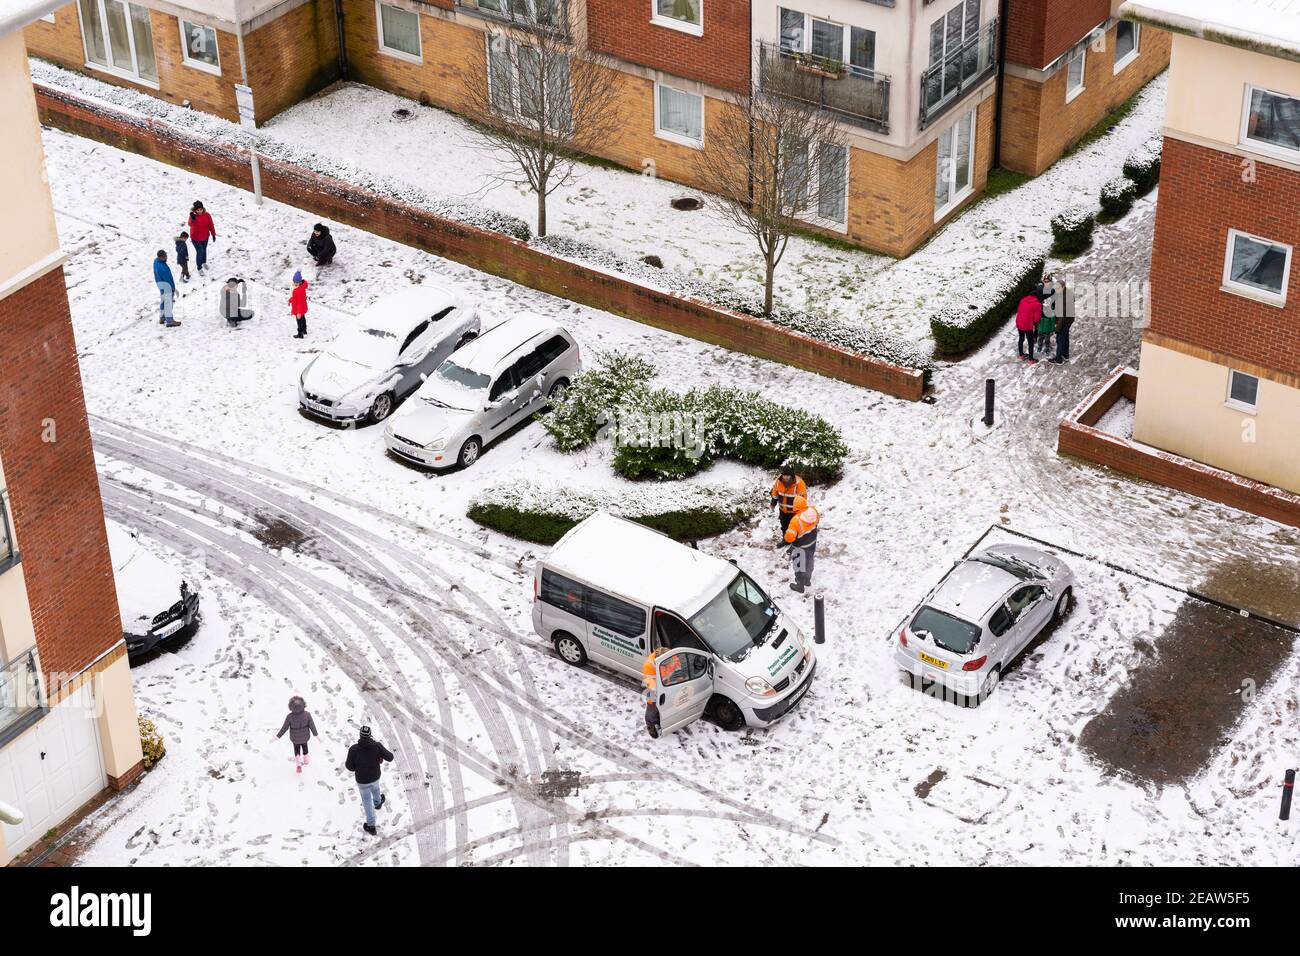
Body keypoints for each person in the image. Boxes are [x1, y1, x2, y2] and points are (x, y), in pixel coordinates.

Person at [345, 725, 394, 836]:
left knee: (367, 801)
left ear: (360, 736)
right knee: (376, 789)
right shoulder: (377, 746)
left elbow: (349, 767)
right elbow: (390, 757)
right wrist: (379, 754)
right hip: (375, 776)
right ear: (370, 735)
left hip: (362, 781)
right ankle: (378, 803)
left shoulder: (353, 750)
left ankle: (371, 826)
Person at [783, 495, 820, 593]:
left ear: (795, 506)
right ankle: (807, 580)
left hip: (800, 547)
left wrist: (787, 535)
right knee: (809, 561)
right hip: (812, 544)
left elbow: (789, 537)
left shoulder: (796, 520)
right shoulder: (814, 510)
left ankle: (800, 585)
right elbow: (817, 521)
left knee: (799, 566)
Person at [274, 695, 319, 774]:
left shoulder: (289, 717)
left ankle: (298, 764)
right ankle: (306, 760)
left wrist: (278, 736)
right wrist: (316, 734)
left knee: (296, 749)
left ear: (291, 706)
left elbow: (284, 728)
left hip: (295, 738)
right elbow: (312, 725)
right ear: (303, 705)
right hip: (305, 736)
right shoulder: (307, 714)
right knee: (305, 747)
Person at [770, 466, 808, 538]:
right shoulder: (778, 481)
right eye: (784, 475)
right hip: (783, 510)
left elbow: (803, 498)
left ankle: (796, 541)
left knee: (794, 527)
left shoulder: (799, 483)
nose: (785, 477)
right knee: (784, 527)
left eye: (787, 475)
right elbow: (775, 493)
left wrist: (801, 511)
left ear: (791, 475)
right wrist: (773, 504)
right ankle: (786, 539)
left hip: (794, 511)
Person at [153, 250, 181, 328]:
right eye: (165, 256)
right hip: (166, 286)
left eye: (166, 255)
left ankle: (162, 318)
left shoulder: (156, 261)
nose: (166, 257)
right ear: (161, 257)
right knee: (168, 303)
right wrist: (172, 287)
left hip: (160, 284)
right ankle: (169, 321)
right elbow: (168, 279)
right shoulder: (162, 268)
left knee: (163, 301)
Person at [1049, 278, 1074, 364]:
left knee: (1060, 339)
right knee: (1065, 337)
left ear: (1063, 287)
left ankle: (1058, 359)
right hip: (1069, 319)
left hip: (1064, 320)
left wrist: (1057, 328)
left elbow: (1062, 317)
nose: (1056, 290)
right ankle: (1065, 355)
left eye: (1058, 288)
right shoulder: (1068, 292)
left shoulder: (1063, 300)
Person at [188, 201, 216, 274]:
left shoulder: (207, 215)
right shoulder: (193, 216)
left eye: (201, 209)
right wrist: (193, 218)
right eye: (197, 210)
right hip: (195, 237)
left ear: (203, 208)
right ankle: (199, 268)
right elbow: (190, 224)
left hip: (205, 236)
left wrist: (213, 234)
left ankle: (204, 262)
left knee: (204, 250)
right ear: (195, 210)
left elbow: (211, 225)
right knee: (200, 252)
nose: (199, 211)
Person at [1015, 293, 1041, 362]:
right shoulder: (1037, 304)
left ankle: (1021, 355)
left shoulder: (1023, 300)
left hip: (1019, 322)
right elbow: (1036, 319)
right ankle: (1031, 359)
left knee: (1021, 338)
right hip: (1027, 324)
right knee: (1031, 341)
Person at [641, 649, 660, 739]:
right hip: (652, 687)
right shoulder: (649, 665)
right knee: (652, 706)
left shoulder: (670, 657)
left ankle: (660, 720)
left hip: (664, 685)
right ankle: (650, 724)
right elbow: (650, 684)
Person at [289, 271, 309, 339]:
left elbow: (299, 301)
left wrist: (299, 312)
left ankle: (300, 334)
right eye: (294, 282)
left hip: (298, 308)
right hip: (303, 306)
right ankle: (304, 330)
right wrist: (290, 300)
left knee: (299, 320)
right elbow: (296, 298)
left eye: (296, 282)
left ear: (300, 282)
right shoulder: (302, 287)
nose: (294, 284)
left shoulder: (297, 290)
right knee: (303, 318)